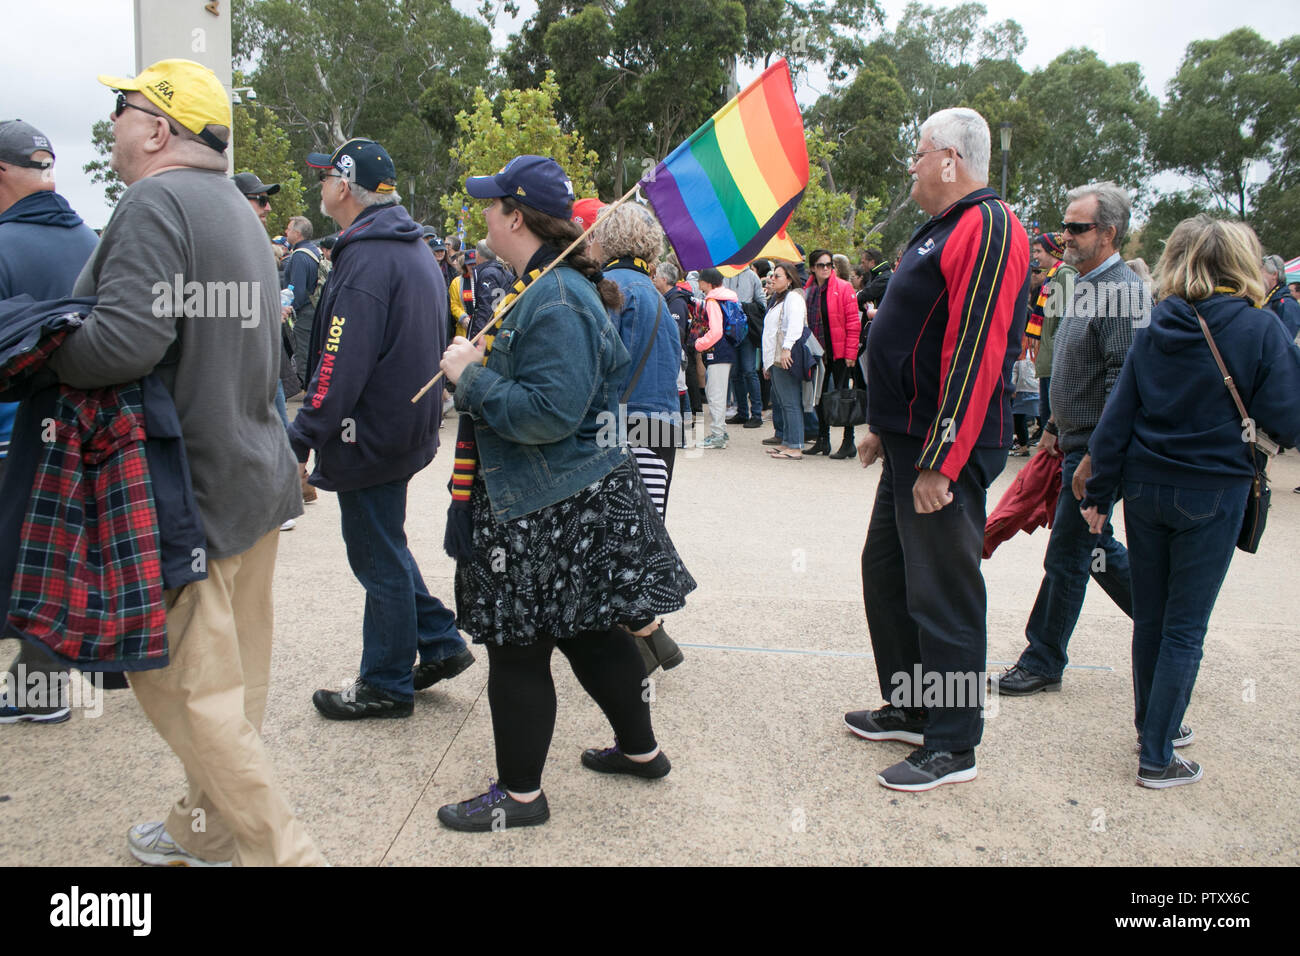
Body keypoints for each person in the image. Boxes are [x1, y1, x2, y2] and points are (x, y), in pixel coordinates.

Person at [47, 59, 321, 864]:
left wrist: (48, 343)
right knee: (237, 688)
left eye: (124, 111)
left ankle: (289, 857)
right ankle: (202, 829)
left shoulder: (152, 202)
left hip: (185, 494)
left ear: (159, 129)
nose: (114, 127)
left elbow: (127, 341)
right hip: (251, 480)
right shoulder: (235, 207)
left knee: (193, 699)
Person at [436, 155, 696, 831]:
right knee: (590, 632)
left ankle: (520, 796)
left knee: (520, 650)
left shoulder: (553, 296)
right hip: (567, 498)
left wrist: (469, 377)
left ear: (516, 217)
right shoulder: (548, 286)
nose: (484, 215)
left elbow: (547, 413)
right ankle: (640, 750)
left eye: (491, 205)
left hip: (546, 505)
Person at [1081, 216, 1300, 788]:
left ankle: (1152, 726)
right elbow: (1288, 419)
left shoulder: (1156, 327)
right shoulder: (1261, 329)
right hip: (1213, 488)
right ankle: (1157, 753)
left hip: (1146, 488)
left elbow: (1116, 421)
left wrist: (1099, 495)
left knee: (1151, 617)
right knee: (1185, 626)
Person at [850, 107, 1029, 791]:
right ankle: (914, 705)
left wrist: (941, 458)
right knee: (888, 574)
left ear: (950, 158)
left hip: (940, 449)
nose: (913, 166)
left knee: (942, 591)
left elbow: (976, 345)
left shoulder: (988, 225)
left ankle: (953, 742)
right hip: (908, 441)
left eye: (919, 154)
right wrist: (880, 420)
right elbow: (912, 334)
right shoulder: (946, 227)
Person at [292, 137, 473, 720]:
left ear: (344, 186)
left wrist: (302, 435)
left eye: (324, 178)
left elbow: (339, 362)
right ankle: (440, 643)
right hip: (402, 425)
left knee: (374, 556)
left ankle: (385, 683)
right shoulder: (408, 245)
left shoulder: (369, 255)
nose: (319, 187)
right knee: (384, 546)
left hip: (368, 431)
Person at [996, 182, 1147, 696]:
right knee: (1091, 548)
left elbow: (1122, 384)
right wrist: (1054, 430)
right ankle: (1166, 622)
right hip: (1077, 441)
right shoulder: (1080, 282)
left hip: (1096, 450)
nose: (1065, 237)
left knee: (1069, 554)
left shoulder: (1124, 293)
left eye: (1076, 228)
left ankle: (1043, 659)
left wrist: (1096, 459)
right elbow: (1074, 367)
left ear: (1109, 233)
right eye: (1065, 226)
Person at [0, 118, 99, 724]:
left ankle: (39, 686)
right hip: (85, 427)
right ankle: (41, 678)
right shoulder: (90, 240)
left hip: (16, 428)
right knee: (59, 554)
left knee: (25, 558)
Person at [586, 202, 687, 674]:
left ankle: (640, 639)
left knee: (618, 536)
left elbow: (596, 364)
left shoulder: (612, 289)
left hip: (622, 425)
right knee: (641, 531)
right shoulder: (653, 290)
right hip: (659, 423)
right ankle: (647, 635)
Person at [804, 248, 861, 458]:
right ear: (812, 268)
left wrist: (851, 354)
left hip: (839, 352)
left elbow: (853, 323)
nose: (826, 269)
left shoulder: (844, 288)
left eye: (829, 265)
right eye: (821, 265)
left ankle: (849, 441)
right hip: (818, 352)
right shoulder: (808, 291)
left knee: (843, 395)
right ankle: (822, 439)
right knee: (819, 396)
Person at [1027, 232, 1075, 427]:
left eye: (1038, 251)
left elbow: (1068, 317)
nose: (1035, 256)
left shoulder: (1063, 274)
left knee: (1053, 420)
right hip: (1048, 358)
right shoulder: (1051, 276)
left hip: (1055, 359)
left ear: (1053, 251)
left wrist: (1056, 350)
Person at [761, 261, 807, 460]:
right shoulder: (779, 300)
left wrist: (787, 348)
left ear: (789, 279)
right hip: (776, 357)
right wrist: (767, 362)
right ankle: (788, 442)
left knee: (790, 402)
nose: (772, 279)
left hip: (785, 356)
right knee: (782, 401)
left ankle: (795, 445)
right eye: (772, 275)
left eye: (777, 276)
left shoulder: (793, 298)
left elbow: (795, 326)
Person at [694, 267, 740, 449]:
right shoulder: (728, 298)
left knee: (715, 393)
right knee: (719, 391)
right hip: (727, 350)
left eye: (701, 280)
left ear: (707, 282)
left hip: (717, 351)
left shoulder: (713, 301)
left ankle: (718, 434)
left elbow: (716, 331)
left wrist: (699, 343)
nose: (698, 284)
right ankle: (720, 431)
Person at [724, 256, 767, 429]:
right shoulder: (725, 275)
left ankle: (756, 413)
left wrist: (743, 306)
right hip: (730, 331)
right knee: (735, 373)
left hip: (747, 331)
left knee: (749, 370)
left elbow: (762, 304)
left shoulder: (752, 277)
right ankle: (742, 412)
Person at [282, 214, 322, 389]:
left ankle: (309, 389)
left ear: (297, 233)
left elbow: (295, 291)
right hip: (316, 309)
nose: (286, 231)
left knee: (303, 352)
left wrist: (287, 308)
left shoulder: (298, 256)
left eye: (289, 228)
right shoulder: (315, 251)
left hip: (305, 313)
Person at [1262, 254, 1300, 340]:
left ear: (1274, 275)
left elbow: (1286, 342)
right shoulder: (1269, 299)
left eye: (1262, 272)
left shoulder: (1288, 304)